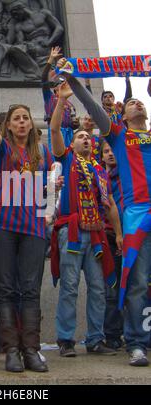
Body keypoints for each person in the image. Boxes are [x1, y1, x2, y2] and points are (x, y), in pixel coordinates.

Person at [59, 57, 151, 367]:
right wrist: (72, 80)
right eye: (131, 103)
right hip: (138, 215)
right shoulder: (118, 137)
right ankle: (136, 342)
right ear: (122, 116)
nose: (136, 103)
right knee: (137, 283)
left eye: (140, 101)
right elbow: (91, 105)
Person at [0, 101, 52, 373]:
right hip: (3, 225)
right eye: (16, 118)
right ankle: (11, 351)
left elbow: (50, 186)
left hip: (34, 227)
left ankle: (31, 350)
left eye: (25, 118)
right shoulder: (3, 148)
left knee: (30, 290)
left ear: (31, 124)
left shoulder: (43, 153)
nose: (21, 122)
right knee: (6, 289)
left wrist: (49, 213)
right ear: (8, 125)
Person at [50, 80, 123, 358]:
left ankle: (95, 339)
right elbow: (55, 129)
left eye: (89, 139)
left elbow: (111, 205)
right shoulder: (67, 158)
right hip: (71, 231)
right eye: (81, 137)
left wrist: (117, 233)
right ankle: (66, 339)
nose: (86, 140)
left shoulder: (99, 171)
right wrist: (61, 100)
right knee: (69, 287)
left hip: (96, 235)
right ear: (73, 142)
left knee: (98, 287)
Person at [100, 141, 124, 350]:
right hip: (108, 235)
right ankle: (112, 334)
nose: (110, 154)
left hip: (132, 234)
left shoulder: (128, 176)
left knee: (135, 285)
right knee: (111, 287)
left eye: (113, 151)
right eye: (106, 151)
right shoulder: (99, 177)